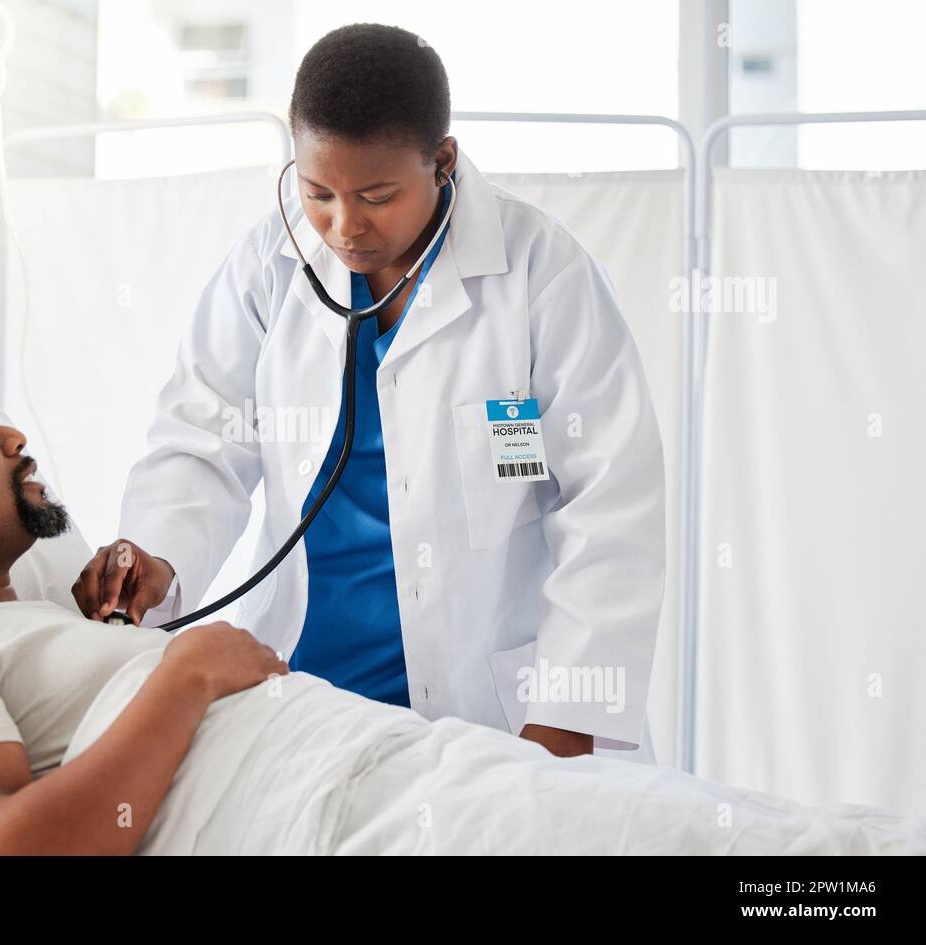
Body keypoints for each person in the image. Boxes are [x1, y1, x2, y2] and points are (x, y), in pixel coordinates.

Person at [0, 378, 925, 856]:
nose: (11, 434)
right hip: (345, 823)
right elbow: (13, 848)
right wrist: (186, 672)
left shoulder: (49, 607)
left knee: (757, 837)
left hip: (412, 772)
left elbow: (610, 500)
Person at [73, 23, 666, 762]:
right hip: (307, 692)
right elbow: (201, 440)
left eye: (377, 195)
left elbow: (613, 508)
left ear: (442, 161)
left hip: (494, 712)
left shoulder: (541, 275)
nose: (343, 226)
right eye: (317, 191)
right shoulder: (269, 265)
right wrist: (156, 557)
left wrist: (565, 725)